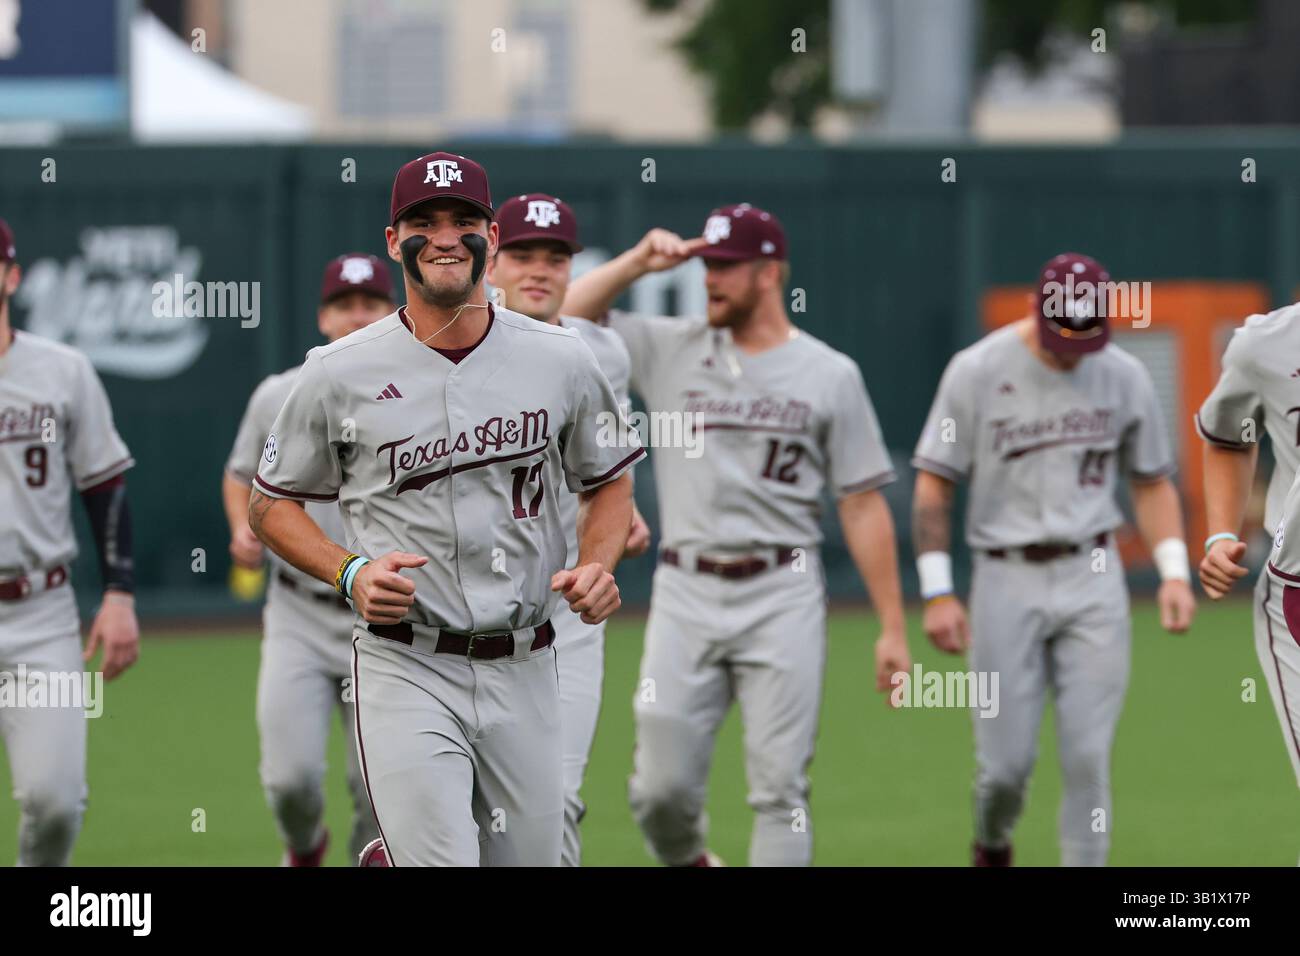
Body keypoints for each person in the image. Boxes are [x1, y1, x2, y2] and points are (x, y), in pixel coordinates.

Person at [249, 152, 644, 866]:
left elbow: (610, 480)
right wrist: (349, 571)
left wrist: (597, 561)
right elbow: (269, 504)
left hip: (527, 658)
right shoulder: (337, 370)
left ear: (490, 237)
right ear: (392, 239)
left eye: (463, 220)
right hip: (408, 661)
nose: (443, 237)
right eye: (421, 222)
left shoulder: (561, 357)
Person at [562, 204, 911, 867]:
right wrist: (638, 261)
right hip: (685, 588)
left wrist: (893, 625)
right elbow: (568, 320)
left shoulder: (829, 373)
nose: (712, 280)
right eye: (707, 266)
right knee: (658, 792)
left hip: (782, 591)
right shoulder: (673, 346)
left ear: (771, 273)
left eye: (727, 267)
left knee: (781, 789)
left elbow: (863, 505)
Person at [911, 252, 1196, 866]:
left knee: (1089, 758)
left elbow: (1150, 480)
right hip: (1003, 574)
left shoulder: (1122, 375)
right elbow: (935, 482)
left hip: (1092, 573)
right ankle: (992, 844)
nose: (1071, 348)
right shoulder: (977, 369)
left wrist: (1173, 570)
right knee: (1004, 770)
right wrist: (937, 590)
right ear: (1036, 313)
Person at [484, 192, 650, 866]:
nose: (540, 269)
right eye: (524, 254)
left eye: (556, 257)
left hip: (566, 609)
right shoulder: (448, 341)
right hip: (463, 609)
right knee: (466, 815)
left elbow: (607, 475)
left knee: (555, 803)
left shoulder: (600, 354)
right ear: (491, 259)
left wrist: (617, 523)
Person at [223, 252, 395, 865]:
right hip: (298, 609)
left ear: (392, 310)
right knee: (289, 780)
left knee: (376, 794)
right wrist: (242, 528)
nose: (355, 317)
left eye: (369, 304)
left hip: (383, 620)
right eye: (343, 305)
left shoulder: (417, 392)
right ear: (323, 317)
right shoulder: (279, 393)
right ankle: (305, 848)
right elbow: (242, 474)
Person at [0, 217, 140, 865]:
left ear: (11, 276)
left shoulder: (62, 370)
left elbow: (104, 483)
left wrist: (118, 593)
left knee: (55, 803)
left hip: (40, 611)